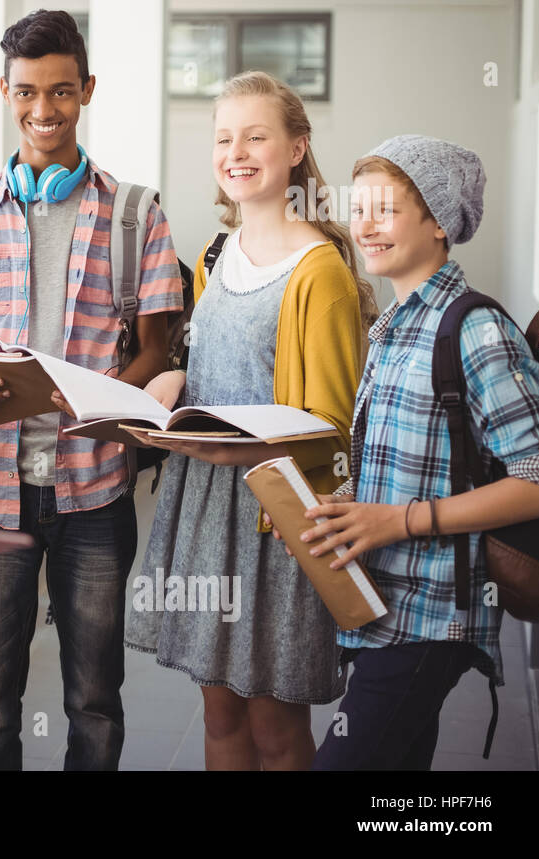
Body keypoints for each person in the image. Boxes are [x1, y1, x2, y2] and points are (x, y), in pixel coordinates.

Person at [0, 9, 183, 770]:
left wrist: (67, 404)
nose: (44, 110)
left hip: (94, 492)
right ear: (5, 90)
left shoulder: (136, 215)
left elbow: (158, 354)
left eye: (61, 92)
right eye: (28, 92)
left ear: (87, 90)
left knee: (95, 703)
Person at [124, 70, 373, 770]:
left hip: (277, 517)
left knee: (275, 722)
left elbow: (333, 426)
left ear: (296, 148)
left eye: (256, 135)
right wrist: (175, 377)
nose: (236, 150)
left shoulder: (319, 270)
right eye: (224, 137)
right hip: (205, 507)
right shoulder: (213, 255)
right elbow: (207, 362)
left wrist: (238, 450)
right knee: (220, 711)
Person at [295, 135, 539, 770]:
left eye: (388, 209)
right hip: (381, 606)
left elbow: (536, 478)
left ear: (439, 221)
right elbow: (409, 461)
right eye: (360, 208)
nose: (365, 226)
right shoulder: (390, 329)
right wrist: (346, 504)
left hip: (434, 616)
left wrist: (399, 520)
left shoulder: (477, 330)